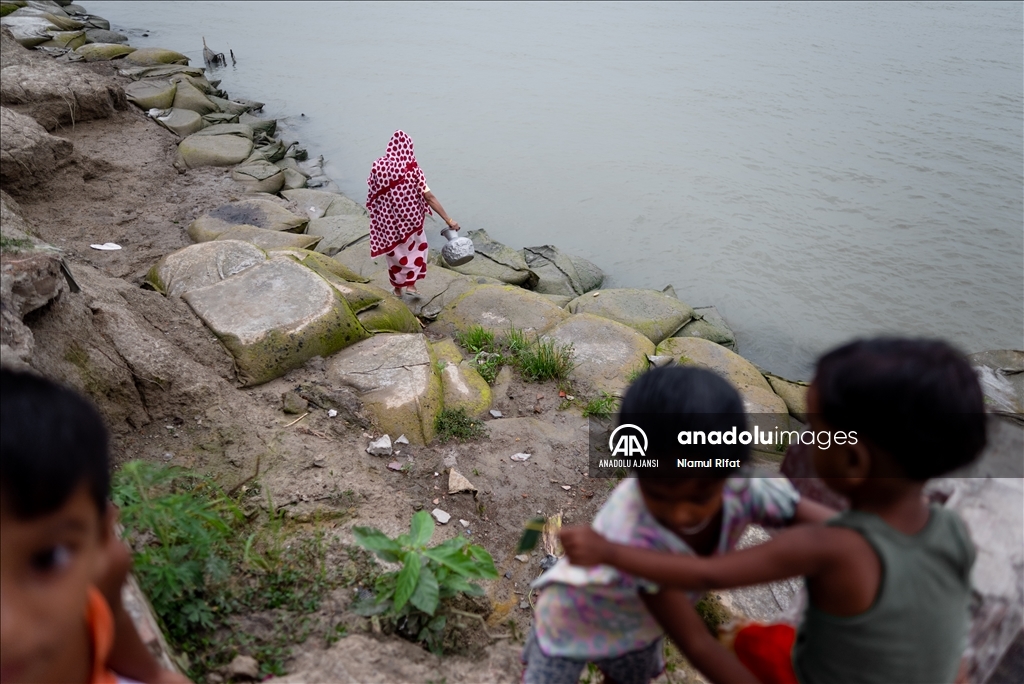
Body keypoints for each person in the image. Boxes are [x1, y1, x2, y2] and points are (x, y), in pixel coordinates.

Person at [562, 338, 986, 684]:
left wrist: (610, 552)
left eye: (818, 430)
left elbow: (705, 581)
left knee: (734, 643)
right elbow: (956, 648)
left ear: (853, 461)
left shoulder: (830, 546)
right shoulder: (951, 528)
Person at [522, 366, 835, 684]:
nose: (681, 514)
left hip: (641, 629)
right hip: (575, 620)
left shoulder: (743, 486)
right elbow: (696, 643)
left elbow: (842, 531)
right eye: (658, 496)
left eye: (700, 497)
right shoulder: (629, 533)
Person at [0, 369, 190, 684]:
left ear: (101, 538)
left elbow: (113, 620)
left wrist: (157, 676)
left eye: (46, 558)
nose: (6, 630)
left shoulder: (107, 572)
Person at [366, 130, 460, 297]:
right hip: (411, 221)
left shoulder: (378, 166)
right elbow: (429, 197)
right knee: (417, 250)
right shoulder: (413, 169)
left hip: (387, 221)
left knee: (394, 255)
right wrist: (449, 220)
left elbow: (372, 192)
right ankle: (411, 286)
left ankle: (397, 289)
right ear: (409, 148)